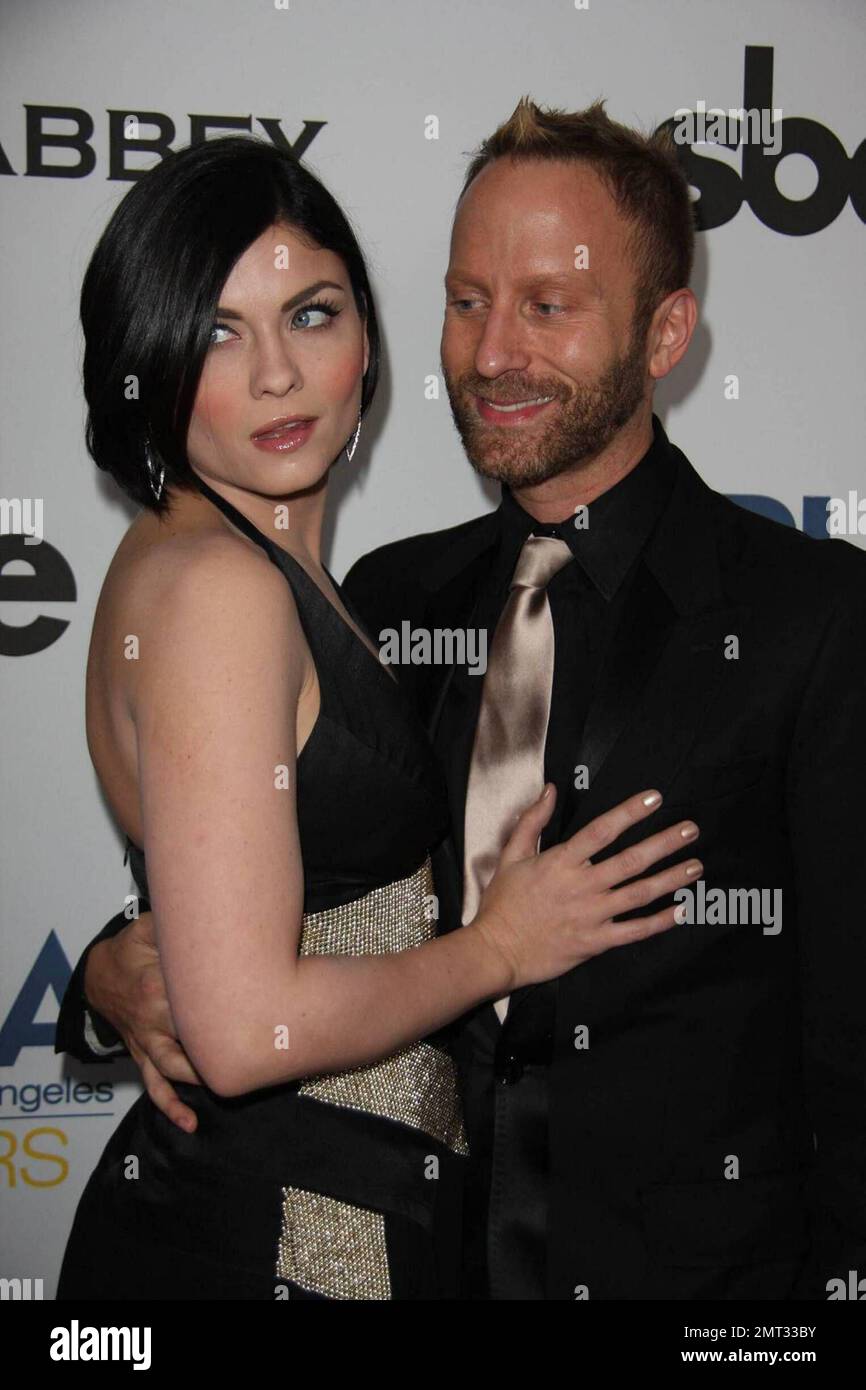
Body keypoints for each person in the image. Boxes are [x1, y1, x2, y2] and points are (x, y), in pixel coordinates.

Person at [54, 133, 701, 1302]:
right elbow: (248, 1024)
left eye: (310, 314)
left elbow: (257, 884)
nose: (275, 376)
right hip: (286, 1233)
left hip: (547, 1240)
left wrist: (118, 970)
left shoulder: (359, 592)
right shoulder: (222, 591)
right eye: (214, 329)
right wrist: (499, 946)